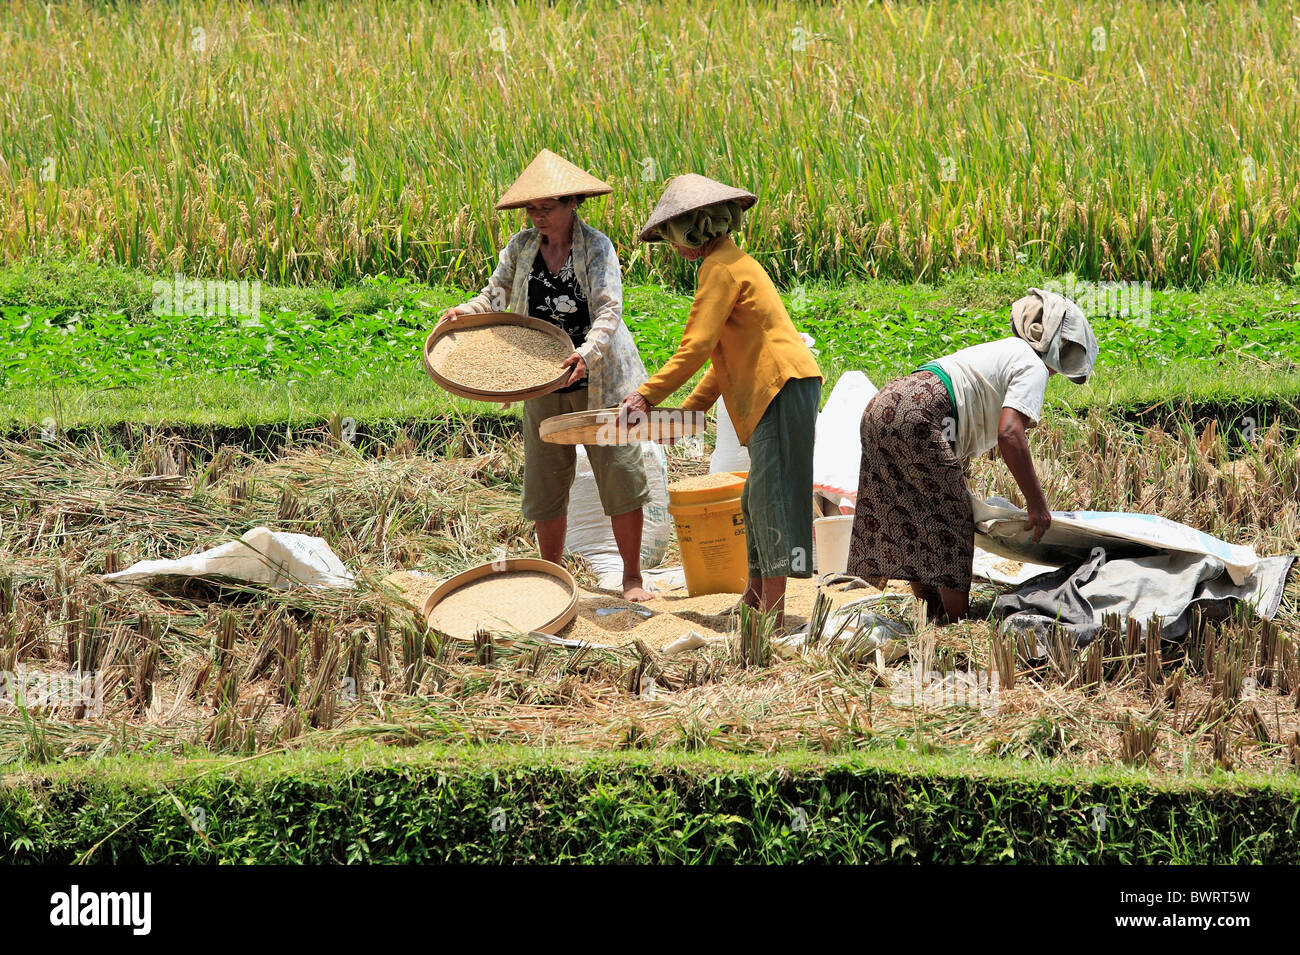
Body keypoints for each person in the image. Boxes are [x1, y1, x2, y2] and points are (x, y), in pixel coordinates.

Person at [439, 149, 653, 601]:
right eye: (532, 208)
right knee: (545, 479)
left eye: (547, 207)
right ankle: (551, 577)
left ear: (573, 202)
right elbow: (494, 294)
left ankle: (632, 577)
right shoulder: (521, 248)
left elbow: (610, 310)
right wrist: (467, 311)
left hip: (600, 379)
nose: (538, 216)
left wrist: (586, 353)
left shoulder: (597, 247)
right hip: (541, 377)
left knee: (619, 473)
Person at [619, 174, 822, 629]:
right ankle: (753, 597)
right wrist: (689, 411)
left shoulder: (720, 269)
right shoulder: (732, 262)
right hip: (776, 389)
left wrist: (646, 395)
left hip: (782, 386)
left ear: (693, 230)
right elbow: (720, 359)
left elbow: (695, 345)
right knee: (754, 499)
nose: (673, 247)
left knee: (774, 500)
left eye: (673, 238)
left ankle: (772, 612)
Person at [847, 288, 1098, 623]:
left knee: (915, 516)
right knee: (953, 520)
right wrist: (1036, 503)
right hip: (919, 411)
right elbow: (1010, 434)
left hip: (885, 404)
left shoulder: (1004, 351)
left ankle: (932, 611)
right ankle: (958, 622)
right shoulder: (1032, 366)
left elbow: (963, 409)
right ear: (1058, 349)